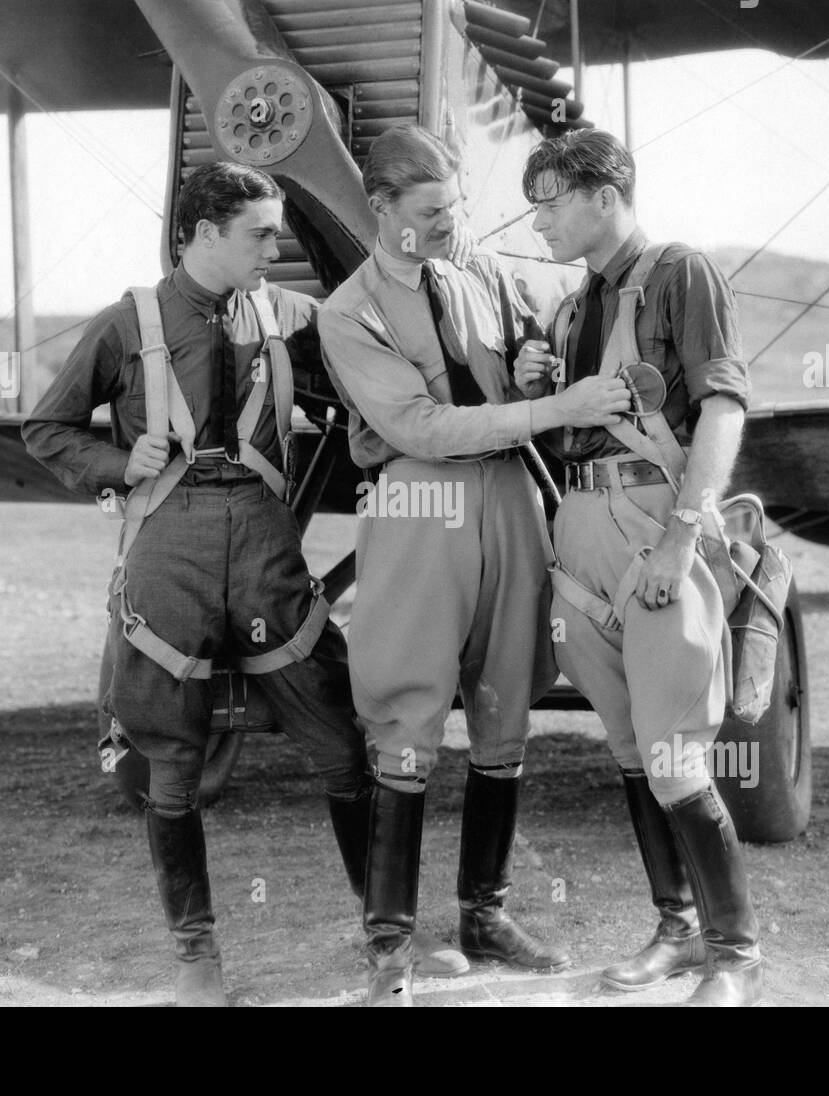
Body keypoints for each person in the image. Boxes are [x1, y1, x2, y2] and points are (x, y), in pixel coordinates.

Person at [22, 161, 462, 1007]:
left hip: (267, 545)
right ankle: (197, 965)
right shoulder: (127, 326)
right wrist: (118, 461)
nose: (277, 246)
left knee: (340, 738)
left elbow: (385, 370)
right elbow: (46, 427)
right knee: (170, 766)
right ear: (203, 235)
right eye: (260, 233)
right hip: (167, 550)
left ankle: (389, 942)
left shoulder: (292, 315)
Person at [318, 123, 637, 1007]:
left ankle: (483, 915)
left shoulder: (482, 275)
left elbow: (514, 383)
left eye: (455, 207)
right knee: (407, 708)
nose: (450, 224)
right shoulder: (346, 314)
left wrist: (535, 375)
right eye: (430, 212)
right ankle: (390, 944)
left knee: (504, 702)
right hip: (420, 505)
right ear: (382, 210)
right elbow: (417, 426)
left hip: (507, 498)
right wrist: (549, 410)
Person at [516, 128, 763, 1007]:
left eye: (549, 199)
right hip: (579, 534)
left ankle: (734, 954)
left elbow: (724, 408)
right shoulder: (574, 306)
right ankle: (677, 927)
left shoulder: (680, 273)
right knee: (630, 749)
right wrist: (533, 380)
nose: (537, 218)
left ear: (602, 193)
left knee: (675, 758)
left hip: (654, 526)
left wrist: (681, 537)